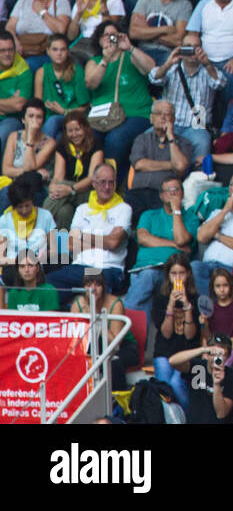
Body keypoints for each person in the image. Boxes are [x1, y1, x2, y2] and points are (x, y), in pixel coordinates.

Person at [46, 161, 133, 294]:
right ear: (94, 184)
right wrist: (103, 241)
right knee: (47, 286)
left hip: (108, 268)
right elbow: (69, 245)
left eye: (111, 182)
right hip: (79, 267)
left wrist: (81, 236)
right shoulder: (82, 209)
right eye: (103, 182)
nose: (107, 186)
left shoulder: (124, 209)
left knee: (96, 287)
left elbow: (113, 243)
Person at [83, 19, 155, 178]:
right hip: (102, 116)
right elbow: (91, 83)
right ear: (99, 40)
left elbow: (151, 68)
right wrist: (105, 60)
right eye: (105, 35)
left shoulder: (131, 57)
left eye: (113, 35)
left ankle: (110, 181)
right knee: (90, 137)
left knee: (116, 138)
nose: (109, 39)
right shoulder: (94, 62)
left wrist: (130, 48)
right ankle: (92, 181)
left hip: (135, 113)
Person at [148, 252, 202, 409]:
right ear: (168, 275)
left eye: (181, 273)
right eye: (174, 273)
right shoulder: (160, 299)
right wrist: (171, 305)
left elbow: (190, 334)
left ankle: (189, 417)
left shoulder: (196, 299)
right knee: (164, 387)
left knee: (177, 384)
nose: (178, 278)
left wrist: (187, 307)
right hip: (165, 351)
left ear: (188, 274)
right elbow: (166, 333)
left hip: (187, 351)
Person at [69, 268, 137, 389]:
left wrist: (94, 314)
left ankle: (117, 402)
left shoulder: (115, 304)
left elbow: (115, 342)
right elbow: (74, 338)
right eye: (89, 285)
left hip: (122, 346)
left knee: (112, 362)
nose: (93, 289)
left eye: (98, 285)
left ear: (104, 287)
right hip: (93, 344)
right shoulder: (78, 304)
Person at [0, 174, 55, 264]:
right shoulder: (4, 220)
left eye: (27, 206)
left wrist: (44, 255)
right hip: (14, 265)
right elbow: (1, 258)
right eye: (20, 207)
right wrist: (23, 262)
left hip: (39, 265)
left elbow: (55, 251)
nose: (24, 210)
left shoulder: (46, 216)